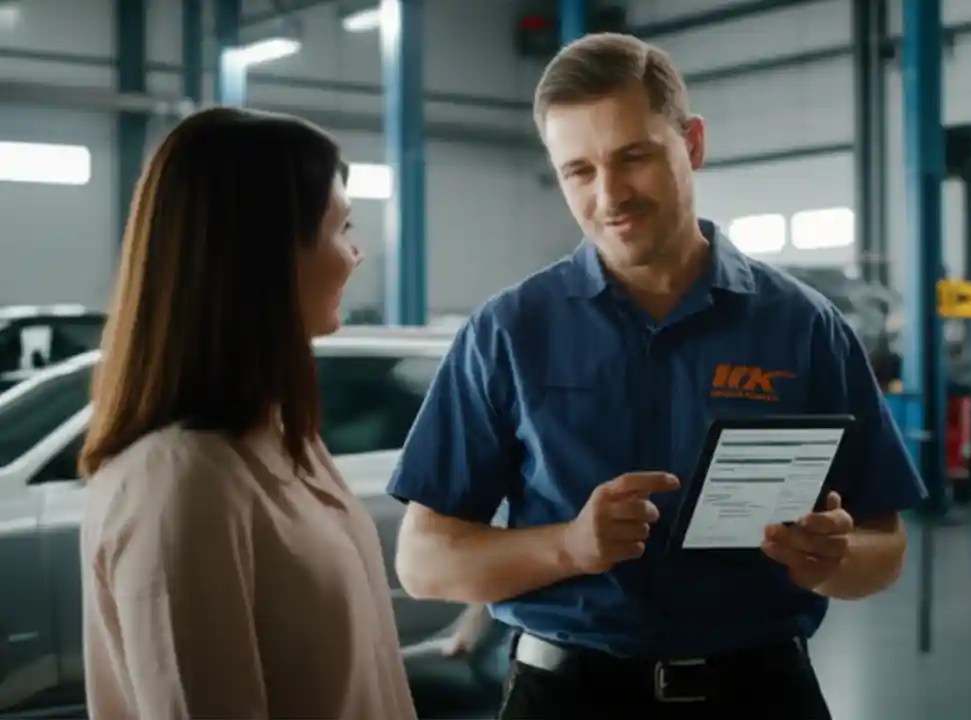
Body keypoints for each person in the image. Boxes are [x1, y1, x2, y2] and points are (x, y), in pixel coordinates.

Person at [388, 32, 927, 718]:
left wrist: (835, 556)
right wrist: (570, 546)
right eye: (578, 171)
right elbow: (425, 562)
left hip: (761, 694)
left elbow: (886, 546)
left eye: (633, 157)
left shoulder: (803, 327)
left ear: (692, 143)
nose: (609, 194)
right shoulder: (509, 333)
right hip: (568, 697)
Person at [77, 107, 417, 720]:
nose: (355, 253)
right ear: (262, 253)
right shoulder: (180, 483)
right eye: (341, 227)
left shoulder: (283, 442)